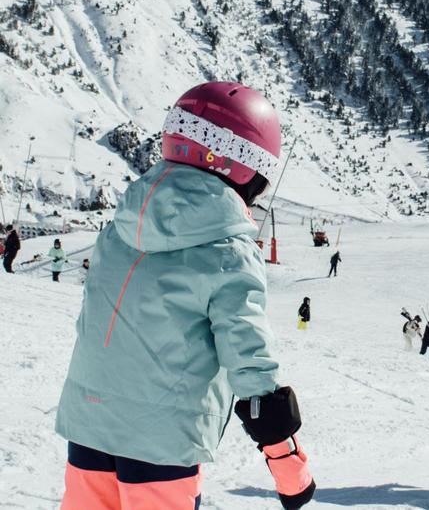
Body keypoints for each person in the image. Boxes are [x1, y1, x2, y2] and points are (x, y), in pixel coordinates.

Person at [55, 82, 314, 510]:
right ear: (245, 171)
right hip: (162, 446)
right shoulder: (228, 249)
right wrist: (289, 467)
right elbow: (249, 362)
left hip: (88, 431)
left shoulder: (120, 226)